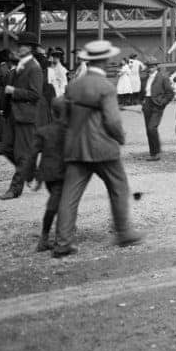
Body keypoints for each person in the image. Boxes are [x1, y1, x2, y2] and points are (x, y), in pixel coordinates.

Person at [52, 39, 144, 258]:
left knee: (70, 195)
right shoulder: (106, 87)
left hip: (76, 148)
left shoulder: (74, 85)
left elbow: (58, 105)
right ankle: (124, 232)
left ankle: (63, 242)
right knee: (119, 186)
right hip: (103, 149)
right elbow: (112, 121)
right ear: (105, 60)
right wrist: (120, 138)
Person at [0, 33, 45, 199]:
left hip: (26, 115)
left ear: (31, 48)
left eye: (24, 45)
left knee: (23, 154)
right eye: (19, 45)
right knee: (6, 149)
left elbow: (35, 94)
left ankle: (14, 189)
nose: (20, 48)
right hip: (14, 114)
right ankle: (31, 170)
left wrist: (14, 91)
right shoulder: (21, 66)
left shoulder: (34, 67)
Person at [32, 96, 68, 251]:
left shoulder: (43, 131)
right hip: (63, 175)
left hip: (47, 175)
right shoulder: (69, 131)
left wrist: (32, 176)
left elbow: (31, 155)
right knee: (54, 205)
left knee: (58, 203)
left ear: (52, 113)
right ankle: (46, 238)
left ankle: (55, 235)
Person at [141, 61, 174, 160]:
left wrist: (162, 103)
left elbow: (170, 93)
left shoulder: (162, 77)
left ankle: (157, 152)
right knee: (148, 129)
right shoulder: (145, 78)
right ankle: (153, 153)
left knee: (152, 128)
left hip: (157, 104)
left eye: (152, 67)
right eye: (148, 67)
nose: (150, 68)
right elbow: (142, 91)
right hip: (147, 103)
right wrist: (141, 101)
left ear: (156, 67)